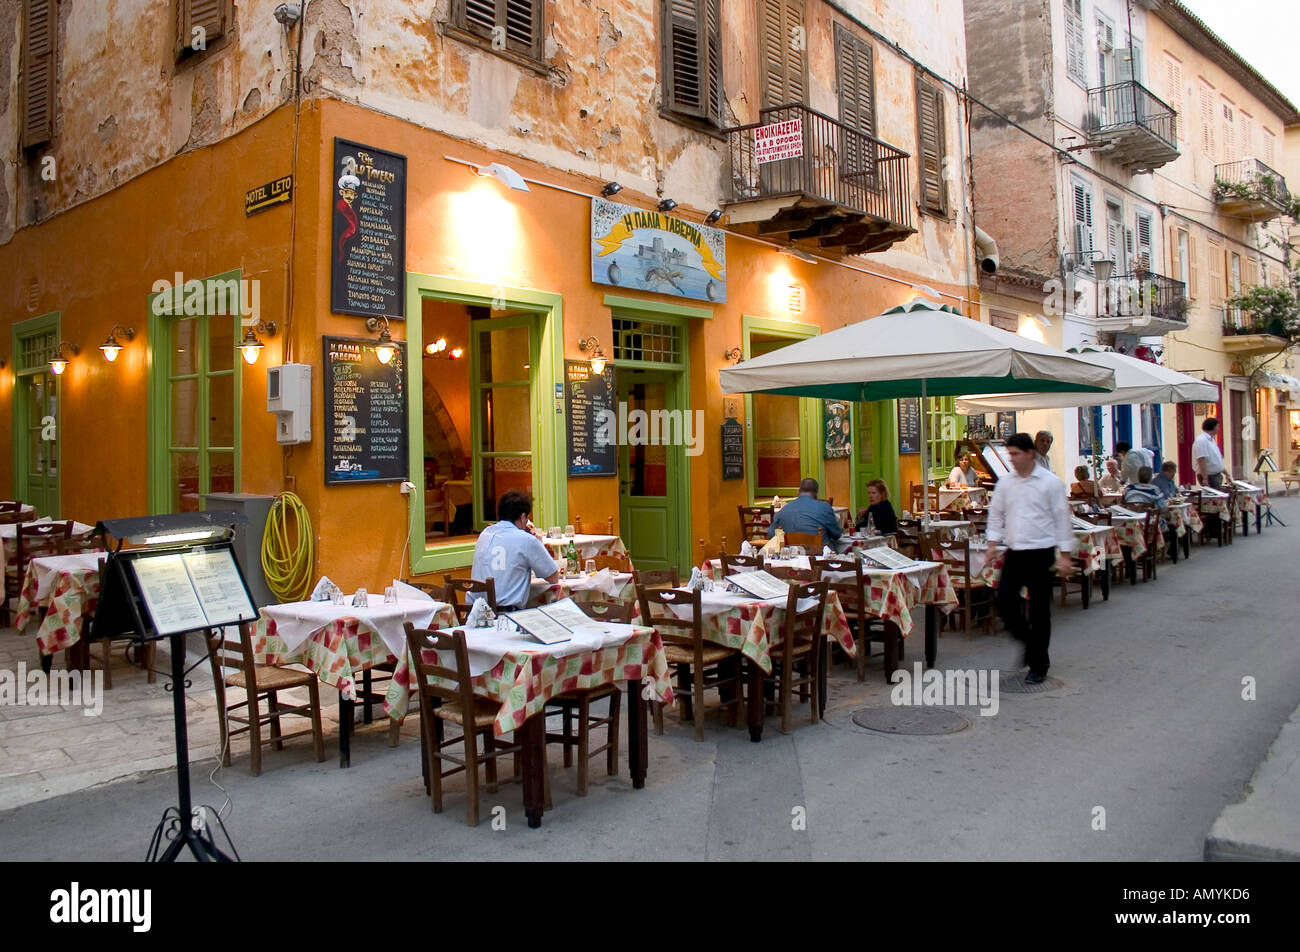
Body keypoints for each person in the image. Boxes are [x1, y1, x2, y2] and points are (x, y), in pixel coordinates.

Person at [986, 433, 1075, 684]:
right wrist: (992, 544)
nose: (1011, 459)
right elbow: (995, 515)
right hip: (1014, 552)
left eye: (1015, 454)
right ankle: (1028, 642)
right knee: (1004, 601)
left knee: (1039, 611)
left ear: (1029, 454)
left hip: (1041, 552)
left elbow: (1061, 519)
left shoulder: (1050, 483)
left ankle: (1039, 665)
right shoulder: (1005, 484)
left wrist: (1065, 555)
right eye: (1009, 454)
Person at [469, 489, 560, 612]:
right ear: (523, 517)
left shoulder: (485, 534)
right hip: (508, 614)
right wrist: (539, 543)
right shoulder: (527, 540)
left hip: (475, 612)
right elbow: (553, 577)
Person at [769, 477, 842, 543]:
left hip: (792, 554)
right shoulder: (825, 507)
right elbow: (836, 534)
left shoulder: (784, 510)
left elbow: (771, 534)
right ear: (816, 494)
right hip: (821, 555)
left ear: (798, 492)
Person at [1193, 418, 1226, 489]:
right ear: (1213, 427)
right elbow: (1201, 459)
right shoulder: (1201, 440)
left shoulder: (1211, 440)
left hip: (1216, 475)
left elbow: (1216, 459)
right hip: (1210, 476)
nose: (1218, 429)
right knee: (1213, 498)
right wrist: (1205, 478)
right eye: (1217, 426)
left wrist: (1226, 473)